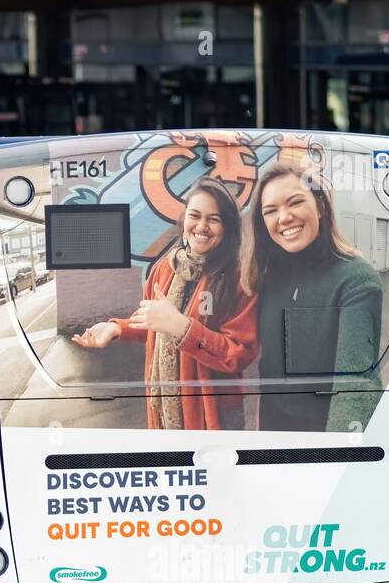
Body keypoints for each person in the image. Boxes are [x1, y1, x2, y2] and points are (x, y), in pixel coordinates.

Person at [72, 176, 258, 430]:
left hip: (216, 414)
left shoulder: (240, 277)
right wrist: (116, 329)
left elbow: (238, 354)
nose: (201, 226)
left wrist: (182, 328)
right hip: (164, 408)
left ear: (227, 227)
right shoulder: (165, 269)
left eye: (213, 219)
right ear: (184, 221)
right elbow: (154, 321)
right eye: (195, 215)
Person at [242, 161, 383, 432]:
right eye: (270, 211)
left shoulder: (356, 278)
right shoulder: (268, 276)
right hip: (270, 446)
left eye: (295, 202)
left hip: (322, 446)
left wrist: (337, 456)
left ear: (319, 206)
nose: (283, 218)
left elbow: (355, 382)